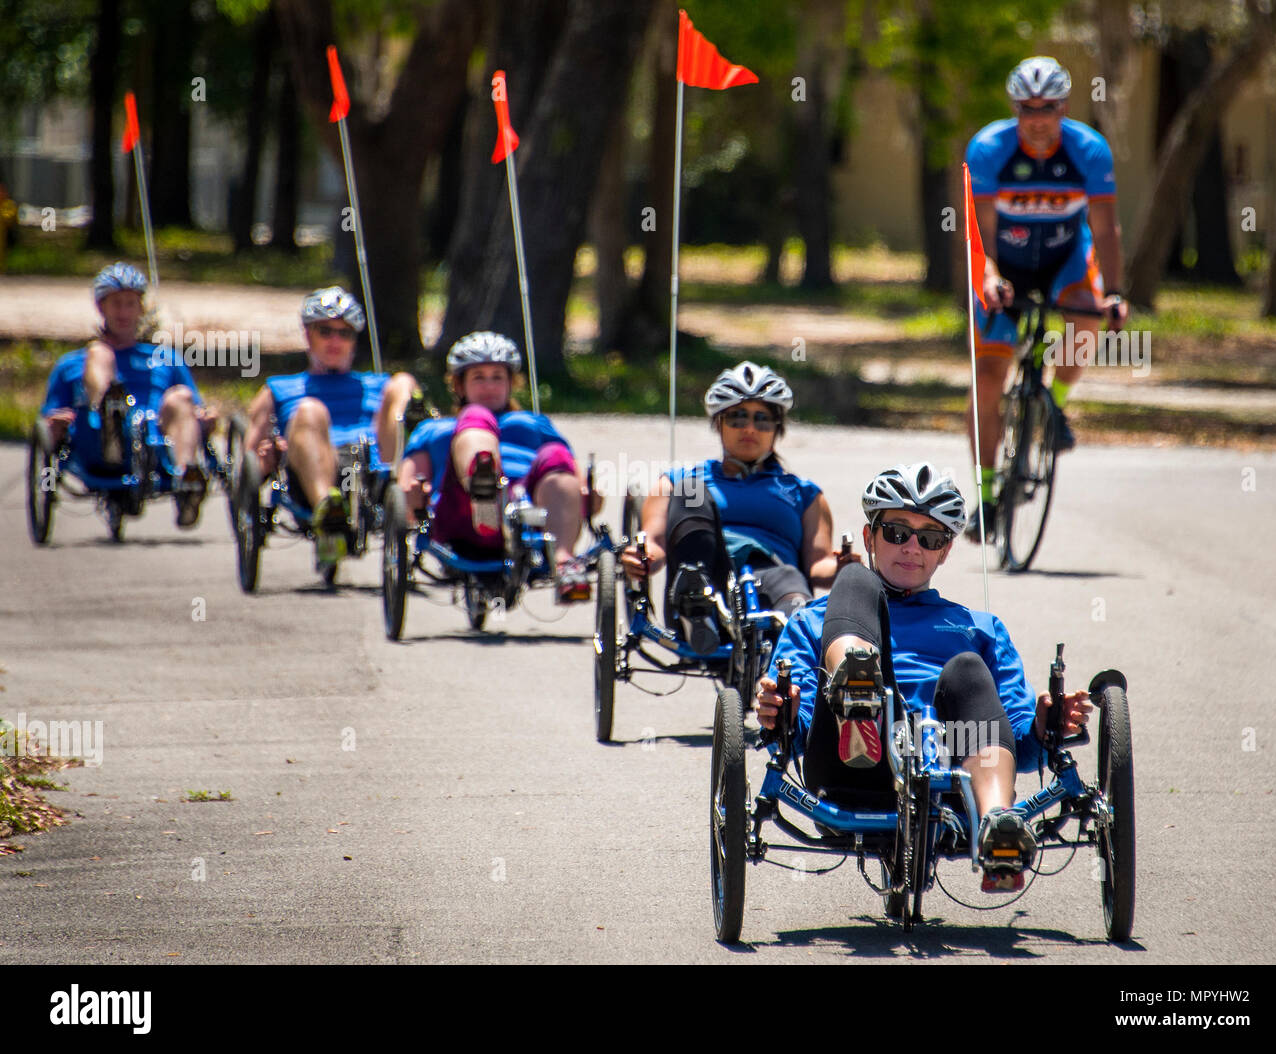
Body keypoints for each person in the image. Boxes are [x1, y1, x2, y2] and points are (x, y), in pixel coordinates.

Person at [754, 462, 1093, 891]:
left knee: (967, 669)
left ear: (945, 551)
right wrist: (782, 710)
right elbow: (797, 732)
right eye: (896, 532)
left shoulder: (980, 627)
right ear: (869, 537)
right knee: (856, 579)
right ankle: (858, 688)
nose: (911, 547)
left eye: (929, 537)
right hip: (852, 767)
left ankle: (996, 826)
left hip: (954, 772)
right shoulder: (811, 620)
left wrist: (1047, 725)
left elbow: (1021, 743)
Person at [964, 56, 1129, 538]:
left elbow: (1104, 228)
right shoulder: (989, 149)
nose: (1037, 118)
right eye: (1026, 108)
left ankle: (1052, 407)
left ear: (1064, 107)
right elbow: (980, 235)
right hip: (1005, 262)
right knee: (989, 378)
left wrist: (1116, 292)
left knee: (1087, 316)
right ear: (1014, 108)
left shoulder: (1088, 150)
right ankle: (989, 495)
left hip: (1065, 259)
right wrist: (991, 279)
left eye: (1048, 107)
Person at [621, 362, 855, 655]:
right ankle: (697, 609)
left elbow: (817, 564)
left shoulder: (805, 494)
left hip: (773, 578)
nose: (749, 428)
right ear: (718, 422)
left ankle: (796, 633)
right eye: (737, 417)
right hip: (707, 579)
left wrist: (843, 567)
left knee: (792, 582)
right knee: (690, 490)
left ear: (776, 429)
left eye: (762, 420)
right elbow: (653, 545)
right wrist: (640, 559)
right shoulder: (680, 481)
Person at [398, 331, 596, 604]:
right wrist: (413, 494)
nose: (489, 385)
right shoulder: (433, 429)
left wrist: (590, 494)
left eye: (497, 377)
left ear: (510, 383)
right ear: (459, 384)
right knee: (476, 416)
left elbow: (581, 490)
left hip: (529, 511)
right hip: (461, 510)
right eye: (479, 377)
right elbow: (406, 492)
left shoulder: (535, 422)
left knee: (555, 453)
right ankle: (483, 486)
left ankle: (564, 564)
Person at [242, 286, 422, 569]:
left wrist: (404, 390)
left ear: (354, 339)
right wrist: (266, 459)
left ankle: (399, 496)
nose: (335, 340)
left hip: (374, 470)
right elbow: (247, 464)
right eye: (325, 331)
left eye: (345, 333)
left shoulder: (378, 384)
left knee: (402, 382)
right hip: (311, 468)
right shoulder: (280, 388)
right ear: (308, 334)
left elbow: (400, 392)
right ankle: (330, 513)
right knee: (310, 410)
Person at [39, 262, 211, 527]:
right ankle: (111, 413)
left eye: (130, 304)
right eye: (116, 303)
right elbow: (49, 421)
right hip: (96, 443)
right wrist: (56, 423)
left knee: (181, 397)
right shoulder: (73, 363)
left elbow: (196, 412)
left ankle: (187, 479)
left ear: (141, 308)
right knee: (100, 352)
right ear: (101, 307)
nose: (123, 312)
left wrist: (207, 418)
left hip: (157, 442)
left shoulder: (165, 358)